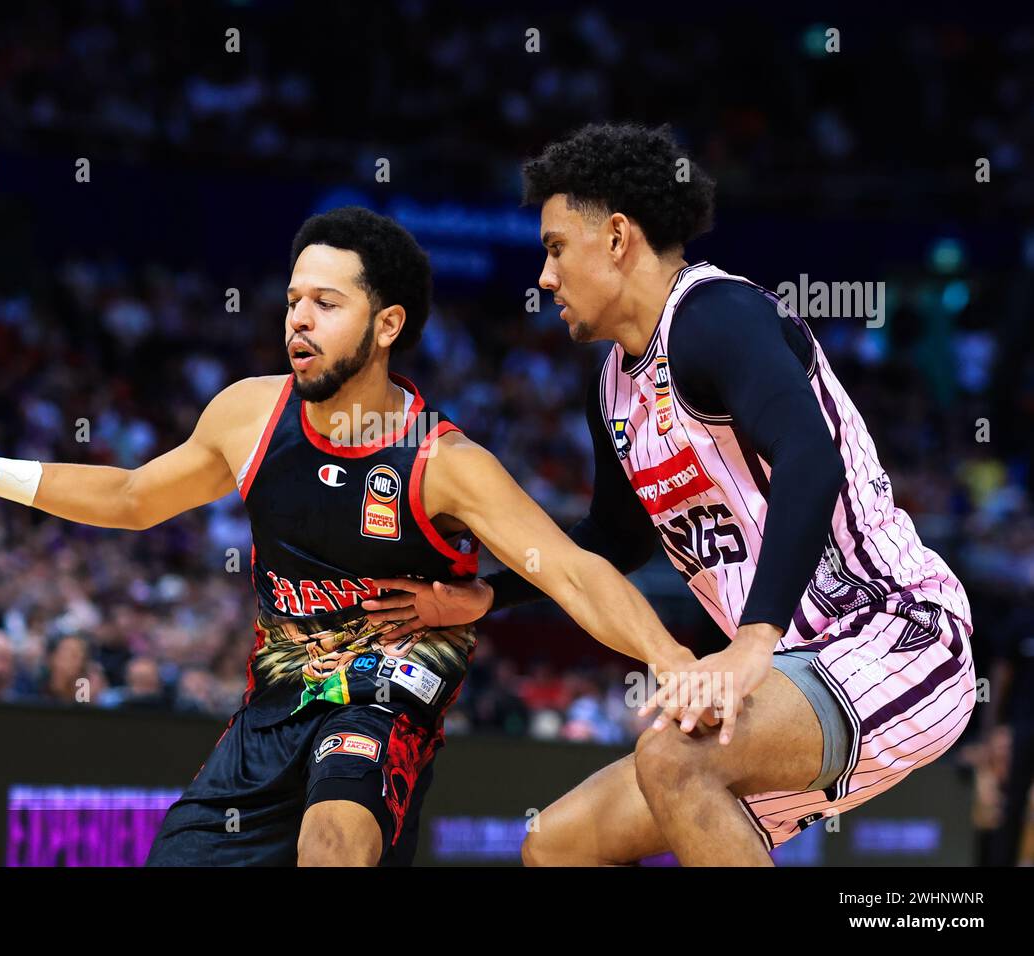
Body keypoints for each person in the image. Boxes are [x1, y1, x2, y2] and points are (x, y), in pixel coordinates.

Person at [0, 206, 693, 867]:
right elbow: (128, 496)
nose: (298, 320)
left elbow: (575, 572)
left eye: (326, 304)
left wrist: (673, 662)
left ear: (386, 324)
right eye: (293, 300)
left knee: (332, 839)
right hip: (272, 707)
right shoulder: (249, 413)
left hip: (382, 701)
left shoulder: (444, 462)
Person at [375, 124, 976, 866]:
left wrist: (752, 639)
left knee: (672, 756)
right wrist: (487, 598)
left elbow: (810, 460)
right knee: (554, 846)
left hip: (894, 634)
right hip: (790, 684)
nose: (545, 276)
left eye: (557, 247)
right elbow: (614, 540)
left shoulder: (715, 316)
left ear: (619, 238)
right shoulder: (612, 388)